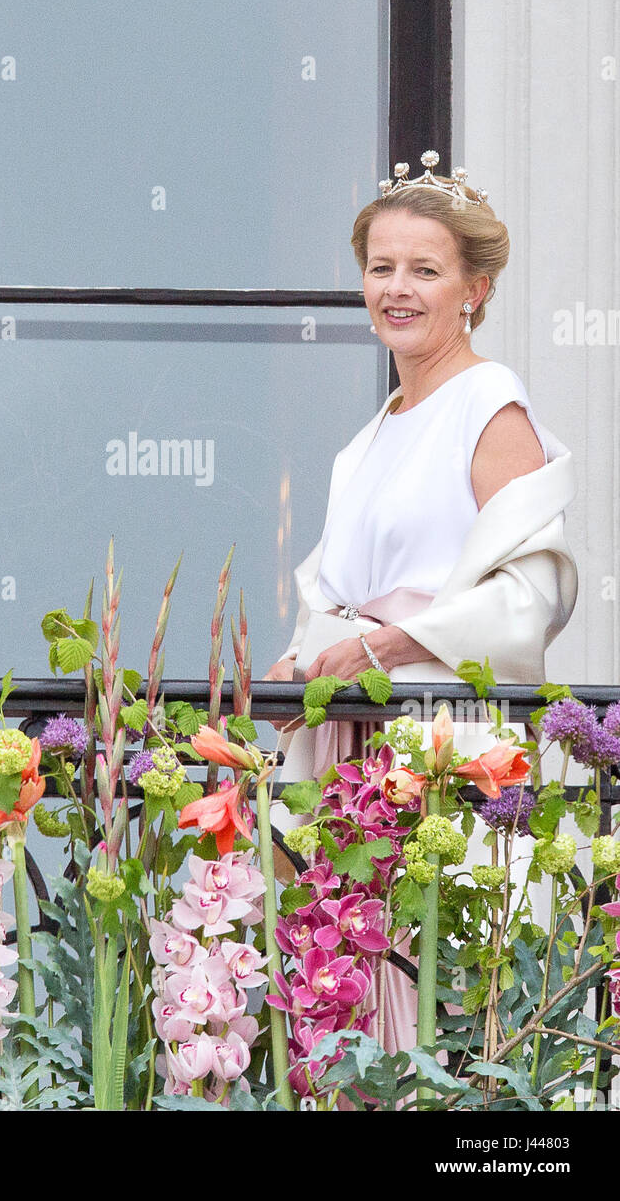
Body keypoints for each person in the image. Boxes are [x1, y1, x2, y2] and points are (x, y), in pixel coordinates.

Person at [264, 151, 579, 1054]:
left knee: (444, 1002)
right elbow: (333, 595)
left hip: (442, 742)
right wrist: (304, 659)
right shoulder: (370, 435)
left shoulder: (490, 404)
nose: (395, 290)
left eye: (424, 270)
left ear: (473, 289)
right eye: (380, 267)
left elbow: (533, 595)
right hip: (352, 753)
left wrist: (392, 645)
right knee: (351, 998)